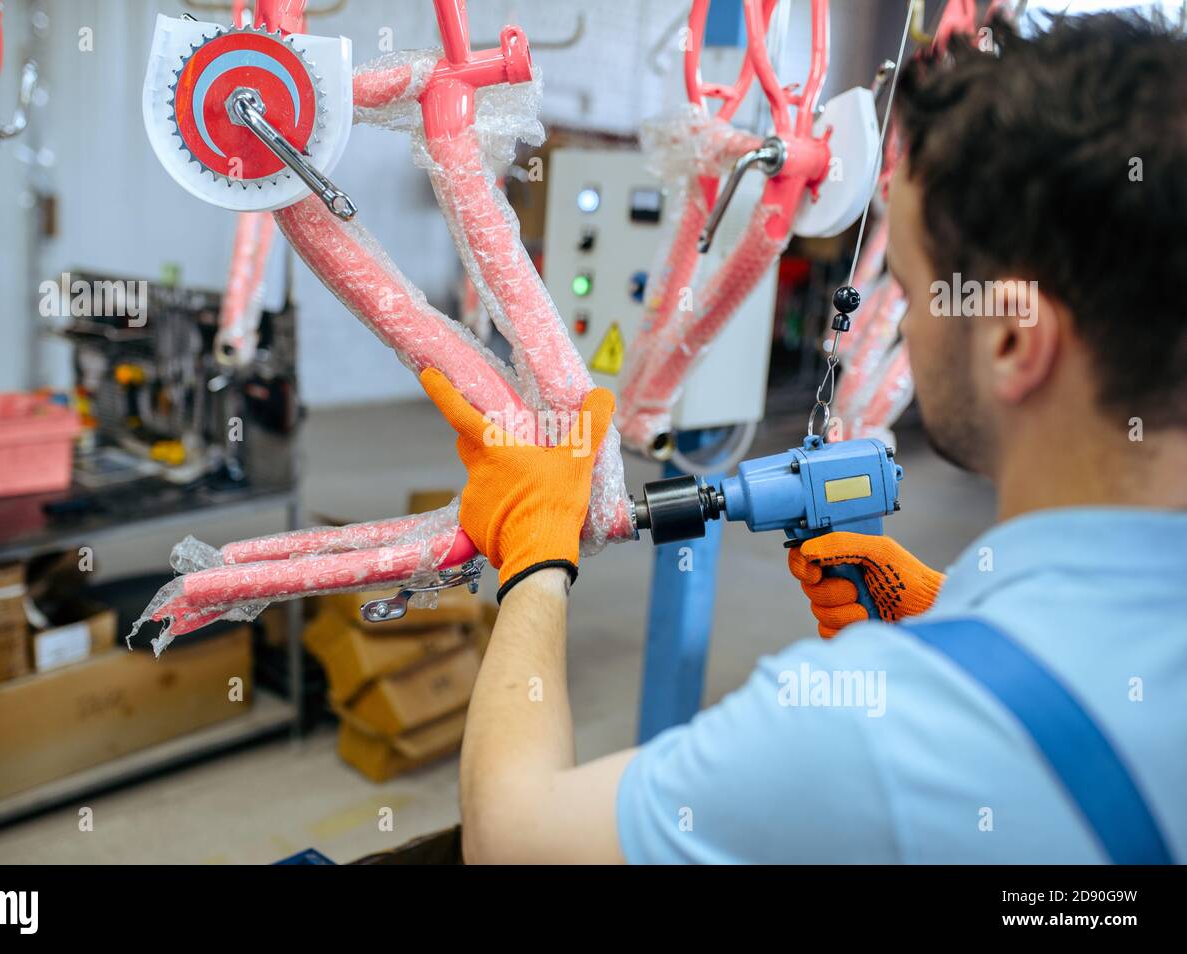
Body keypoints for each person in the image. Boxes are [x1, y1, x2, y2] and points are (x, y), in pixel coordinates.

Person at [418, 11, 1187, 864]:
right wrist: (959, 611)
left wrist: (532, 562)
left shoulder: (874, 732)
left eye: (911, 286)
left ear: (1012, 340)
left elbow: (511, 840)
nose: (904, 327)